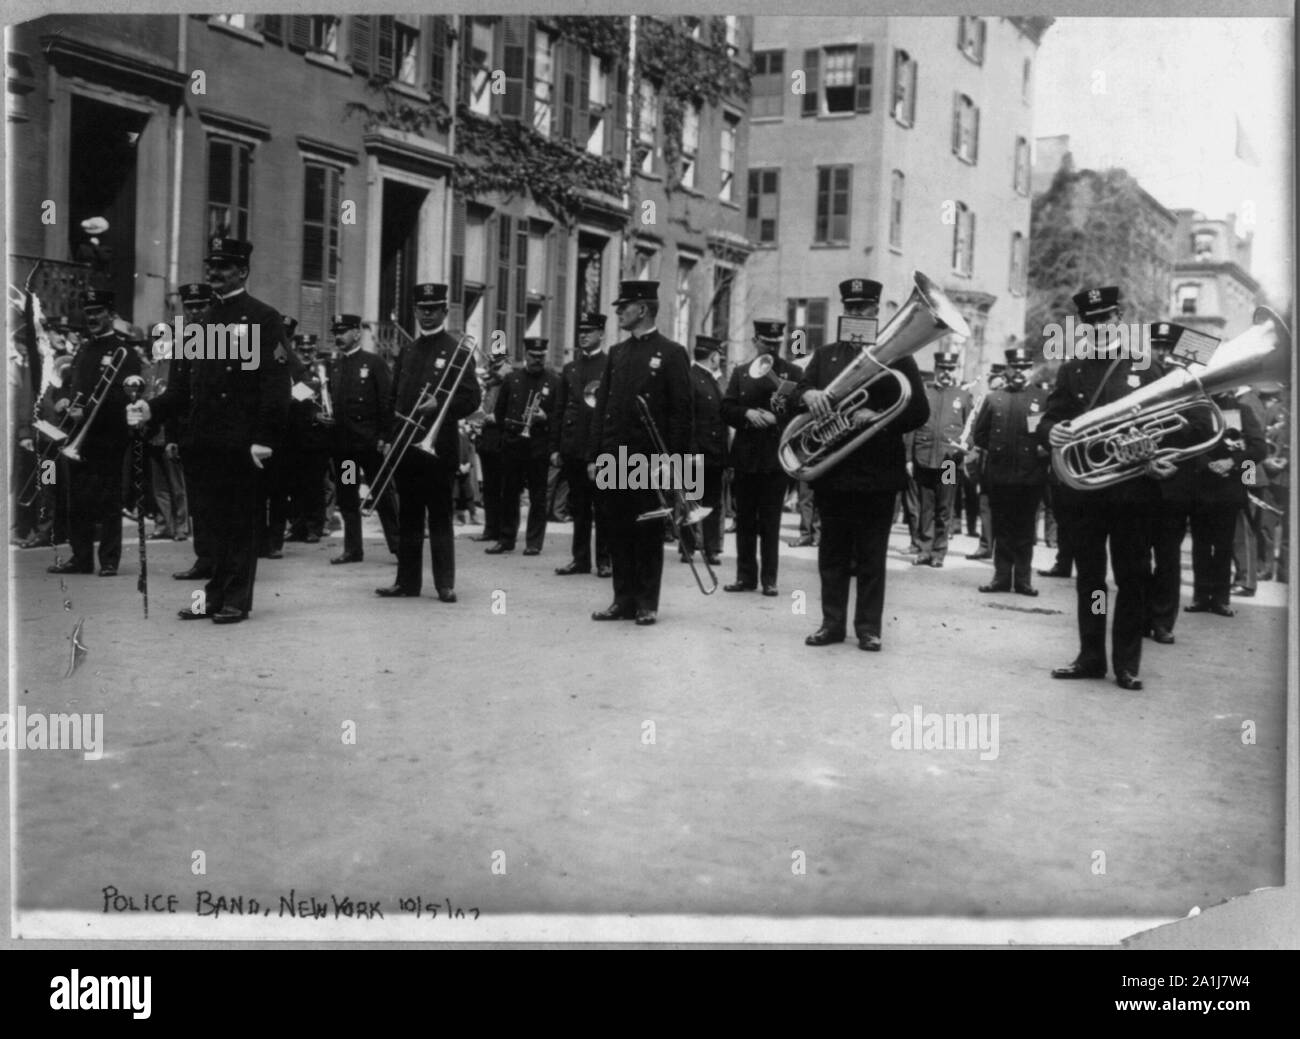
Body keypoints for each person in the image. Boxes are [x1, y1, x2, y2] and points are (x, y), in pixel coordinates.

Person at [127, 237, 291, 624]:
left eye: (224, 267)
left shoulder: (264, 318)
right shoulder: (198, 326)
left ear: (243, 271)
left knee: (239, 522)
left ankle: (235, 599)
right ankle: (212, 597)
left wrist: (265, 439)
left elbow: (275, 385)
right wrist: (150, 406)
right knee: (211, 525)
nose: (214, 273)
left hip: (241, 444)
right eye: (211, 266)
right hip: (202, 442)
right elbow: (181, 391)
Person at [1041, 286, 1168, 689]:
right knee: (1091, 580)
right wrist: (1053, 431)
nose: (1100, 327)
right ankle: (1091, 656)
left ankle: (1127, 664)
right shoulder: (1073, 369)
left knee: (1132, 579)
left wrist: (1165, 458)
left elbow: (1177, 421)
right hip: (1087, 494)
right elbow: (1048, 419)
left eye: (1106, 319)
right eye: (1091, 322)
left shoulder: (1145, 365)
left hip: (1134, 492)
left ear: (1119, 319)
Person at [797, 277, 929, 651]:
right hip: (834, 473)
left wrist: (877, 414)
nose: (856, 314)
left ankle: (869, 628)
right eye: (850, 308)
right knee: (832, 555)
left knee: (873, 556)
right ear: (844, 310)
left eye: (863, 309)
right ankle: (831, 624)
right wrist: (807, 393)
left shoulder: (899, 355)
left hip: (877, 474)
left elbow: (919, 411)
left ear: (876, 310)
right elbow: (791, 399)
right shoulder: (824, 357)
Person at [586, 280, 693, 626]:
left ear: (642, 309)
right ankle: (622, 599)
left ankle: (647, 602)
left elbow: (681, 415)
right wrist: (594, 457)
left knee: (647, 531)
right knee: (617, 530)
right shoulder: (617, 353)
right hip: (614, 459)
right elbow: (603, 408)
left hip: (651, 462)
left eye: (624, 307)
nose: (618, 312)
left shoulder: (673, 353)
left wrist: (675, 466)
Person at [375, 283, 481, 603]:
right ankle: (406, 582)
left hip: (439, 446)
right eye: (422, 308)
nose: (427, 314)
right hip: (408, 446)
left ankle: (444, 583)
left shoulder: (458, 350)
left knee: (438, 517)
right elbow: (395, 398)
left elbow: (472, 398)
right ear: (415, 311)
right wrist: (387, 437)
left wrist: (441, 406)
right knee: (408, 516)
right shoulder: (407, 350)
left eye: (434, 308)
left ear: (445, 311)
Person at [48, 289, 143, 577]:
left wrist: (87, 413)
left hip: (107, 437)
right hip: (77, 436)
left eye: (98, 312)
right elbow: (69, 384)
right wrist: (63, 400)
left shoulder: (124, 352)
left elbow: (128, 395)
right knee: (77, 500)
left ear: (111, 315)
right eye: (89, 313)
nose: (92, 318)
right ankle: (81, 557)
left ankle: (109, 559)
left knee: (108, 500)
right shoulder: (83, 349)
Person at [721, 318, 799, 594]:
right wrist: (747, 414)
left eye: (777, 343)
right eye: (767, 343)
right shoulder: (741, 373)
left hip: (774, 459)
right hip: (745, 458)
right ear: (755, 341)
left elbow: (801, 415)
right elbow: (726, 408)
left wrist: (776, 419)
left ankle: (769, 579)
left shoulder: (793, 372)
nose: (772, 348)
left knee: (770, 523)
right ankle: (745, 577)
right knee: (744, 521)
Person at [971, 347, 1049, 595]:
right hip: (1001, 475)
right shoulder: (995, 398)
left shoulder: (1043, 398)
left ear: (1031, 369)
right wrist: (998, 451)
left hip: (1030, 477)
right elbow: (980, 435)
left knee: (1025, 531)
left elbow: (1052, 433)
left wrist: (1044, 449)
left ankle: (1023, 580)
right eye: (1014, 367)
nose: (1019, 372)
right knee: (1003, 530)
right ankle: (1001, 578)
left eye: (1024, 367)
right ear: (1007, 369)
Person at [1186, 389, 1268, 616]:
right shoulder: (1195, 409)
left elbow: (1260, 448)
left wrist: (1232, 462)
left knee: (1224, 546)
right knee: (1201, 546)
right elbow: (1184, 444)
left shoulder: (1242, 410)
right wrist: (1206, 464)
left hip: (1229, 488)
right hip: (1201, 486)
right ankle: (1201, 596)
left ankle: (1221, 598)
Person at [1144, 323, 1199, 644]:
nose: (1162, 353)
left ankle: (1163, 621)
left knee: (1167, 559)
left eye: (1167, 347)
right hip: (1140, 485)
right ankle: (1137, 616)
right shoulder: (1137, 382)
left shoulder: (1192, 385)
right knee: (1136, 558)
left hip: (1175, 486)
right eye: (1156, 346)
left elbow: (1206, 428)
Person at [328, 314, 399, 564]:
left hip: (369, 445)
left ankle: (399, 546)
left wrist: (385, 436)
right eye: (336, 331)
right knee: (348, 495)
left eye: (344, 331)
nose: (338, 336)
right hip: (346, 449)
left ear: (357, 333)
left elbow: (386, 403)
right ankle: (353, 549)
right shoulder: (336, 366)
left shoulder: (374, 363)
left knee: (382, 494)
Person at [551, 311, 611, 576]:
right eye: (581, 331)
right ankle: (580, 559)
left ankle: (605, 561)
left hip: (600, 450)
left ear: (601, 334)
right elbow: (560, 409)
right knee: (579, 506)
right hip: (574, 448)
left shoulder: (611, 365)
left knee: (605, 506)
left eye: (589, 331)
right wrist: (555, 447)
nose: (583, 336)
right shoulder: (570, 369)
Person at [490, 337, 561, 556]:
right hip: (513, 444)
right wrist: (507, 437)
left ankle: (533, 542)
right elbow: (500, 412)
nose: (537, 360)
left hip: (538, 446)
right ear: (525, 354)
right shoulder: (512, 379)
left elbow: (559, 416)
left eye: (541, 356)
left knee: (538, 497)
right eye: (533, 356)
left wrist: (545, 417)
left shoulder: (554, 381)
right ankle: (506, 538)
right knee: (509, 493)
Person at [906, 350, 972, 568]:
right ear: (935, 370)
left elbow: (971, 429)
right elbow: (912, 427)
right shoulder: (924, 394)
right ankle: (924, 549)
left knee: (944, 508)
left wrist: (966, 445)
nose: (946, 373)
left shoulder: (962, 396)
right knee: (925, 508)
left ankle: (939, 552)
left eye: (950, 369)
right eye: (942, 369)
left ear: (955, 371)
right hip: (924, 457)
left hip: (949, 462)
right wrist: (908, 458)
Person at [170, 282, 215, 580]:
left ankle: (221, 560)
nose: (196, 312)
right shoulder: (182, 343)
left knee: (218, 501)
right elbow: (176, 393)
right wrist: (172, 436)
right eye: (190, 307)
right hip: (190, 435)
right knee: (198, 501)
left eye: (201, 306)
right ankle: (204, 559)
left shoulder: (224, 340)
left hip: (217, 435)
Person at [684, 334, 726, 568]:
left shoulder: (708, 378)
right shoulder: (692, 378)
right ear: (713, 356)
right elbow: (687, 420)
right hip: (696, 452)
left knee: (710, 502)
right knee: (692, 500)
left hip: (712, 454)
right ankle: (688, 547)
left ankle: (710, 549)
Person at [471, 347, 511, 544]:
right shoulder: (491, 378)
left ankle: (503, 531)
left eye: (496, 358)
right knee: (489, 487)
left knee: (502, 486)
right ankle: (490, 528)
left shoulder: (508, 377)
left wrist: (489, 418)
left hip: (501, 435)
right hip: (486, 436)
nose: (491, 361)